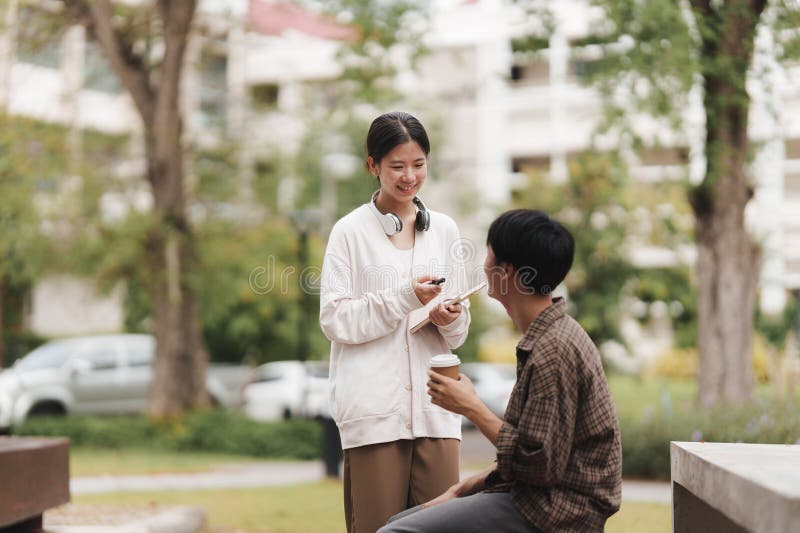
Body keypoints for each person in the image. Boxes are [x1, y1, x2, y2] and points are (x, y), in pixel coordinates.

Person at [378, 209, 622, 533]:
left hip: (556, 511)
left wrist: (471, 407)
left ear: (506, 272)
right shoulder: (550, 336)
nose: (484, 264)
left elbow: (538, 465)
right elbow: (531, 456)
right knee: (400, 522)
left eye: (489, 253)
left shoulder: (554, 350)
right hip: (536, 497)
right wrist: (461, 489)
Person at [320, 111, 472, 533]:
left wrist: (447, 315)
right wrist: (407, 296)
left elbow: (459, 332)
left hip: (436, 411)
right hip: (374, 416)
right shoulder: (349, 232)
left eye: (419, 164)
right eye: (397, 166)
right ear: (373, 166)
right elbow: (336, 320)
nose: (409, 176)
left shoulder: (444, 230)